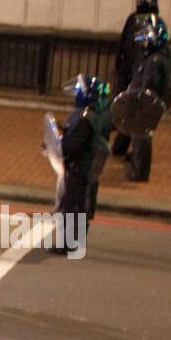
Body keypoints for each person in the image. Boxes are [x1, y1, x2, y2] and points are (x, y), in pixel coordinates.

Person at [55, 75, 112, 252]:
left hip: (78, 166)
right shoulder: (94, 114)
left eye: (79, 91)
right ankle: (78, 240)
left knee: (70, 204)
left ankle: (68, 243)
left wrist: (56, 143)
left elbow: (70, 144)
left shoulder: (84, 117)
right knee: (81, 204)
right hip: (86, 166)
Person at [111, 0, 161, 160]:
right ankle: (121, 146)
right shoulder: (138, 20)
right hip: (132, 73)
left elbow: (125, 47)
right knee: (126, 110)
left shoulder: (147, 22)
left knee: (133, 112)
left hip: (138, 74)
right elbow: (123, 45)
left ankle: (128, 149)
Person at [123, 18, 171, 183]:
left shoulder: (154, 60)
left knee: (141, 138)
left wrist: (139, 101)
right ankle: (138, 170)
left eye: (148, 37)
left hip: (144, 105)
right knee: (140, 137)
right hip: (146, 105)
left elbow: (148, 85)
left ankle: (139, 174)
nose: (144, 40)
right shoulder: (157, 56)